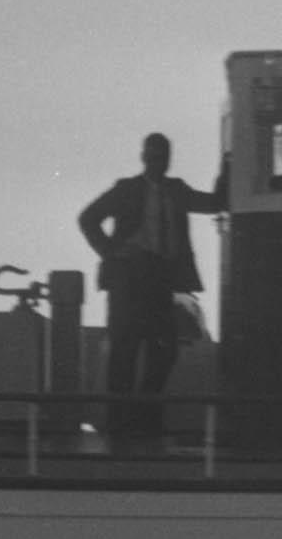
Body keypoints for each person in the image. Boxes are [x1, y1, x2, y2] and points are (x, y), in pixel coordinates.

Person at [78, 132, 228, 446]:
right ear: (145, 158)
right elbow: (88, 218)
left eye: (163, 155)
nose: (158, 161)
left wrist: (226, 171)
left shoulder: (177, 190)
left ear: (167, 159)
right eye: (154, 155)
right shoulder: (126, 189)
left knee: (164, 350)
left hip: (160, 277)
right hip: (129, 277)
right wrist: (110, 252)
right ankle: (121, 426)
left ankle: (142, 418)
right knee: (124, 350)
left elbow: (215, 203)